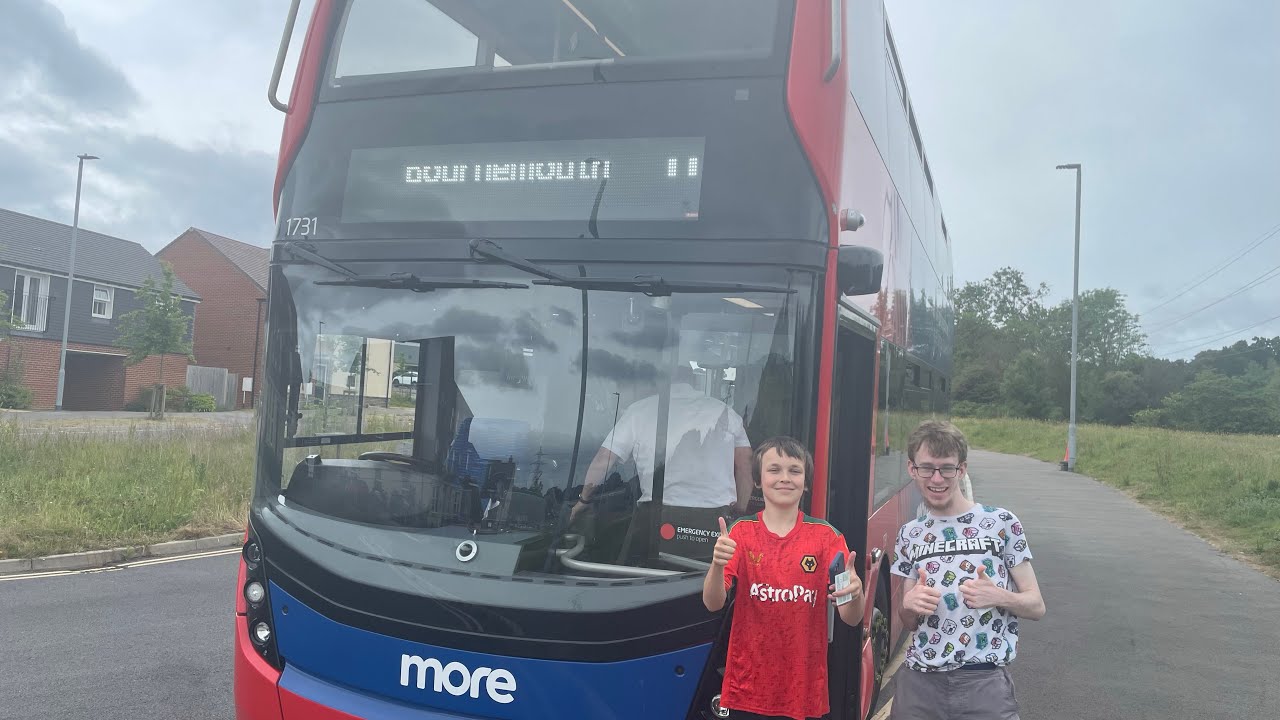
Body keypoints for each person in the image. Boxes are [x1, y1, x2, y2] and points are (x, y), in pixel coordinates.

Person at [889, 421, 1046, 720]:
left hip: (983, 683)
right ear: (912, 470)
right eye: (927, 468)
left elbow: (1036, 606)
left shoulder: (1002, 523)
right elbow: (909, 621)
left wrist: (1000, 595)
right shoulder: (909, 533)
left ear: (961, 470)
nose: (937, 478)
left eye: (946, 468)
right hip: (920, 684)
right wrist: (908, 606)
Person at [703, 436, 864, 720]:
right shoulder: (739, 532)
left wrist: (855, 591)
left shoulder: (827, 537)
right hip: (746, 688)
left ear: (806, 481)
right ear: (757, 479)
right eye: (774, 470)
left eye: (794, 470)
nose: (784, 478)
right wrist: (717, 566)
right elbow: (713, 603)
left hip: (804, 693)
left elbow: (850, 616)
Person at [572, 365, 754, 560]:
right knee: (711, 580)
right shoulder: (726, 413)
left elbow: (603, 460)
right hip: (715, 520)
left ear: (662, 383)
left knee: (644, 577)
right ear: (694, 382)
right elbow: (745, 466)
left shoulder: (639, 411)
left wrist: (583, 500)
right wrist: (740, 510)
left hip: (655, 516)